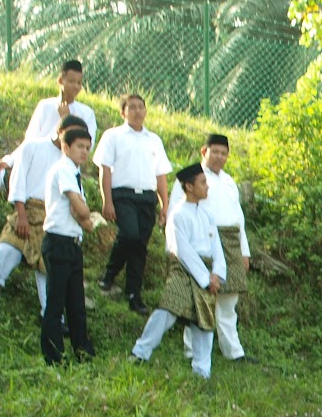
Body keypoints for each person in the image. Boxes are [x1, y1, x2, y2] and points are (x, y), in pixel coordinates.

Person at [0, 61, 95, 235]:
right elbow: (30, 139)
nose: (76, 86)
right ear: (60, 80)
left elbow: (84, 148)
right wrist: (9, 160)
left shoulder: (86, 113)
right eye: (71, 81)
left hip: (57, 168)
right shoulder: (45, 106)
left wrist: (66, 117)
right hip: (32, 160)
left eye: (79, 82)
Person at [0, 114, 90, 312]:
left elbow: (77, 199)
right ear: (60, 133)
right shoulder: (33, 147)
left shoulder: (71, 165)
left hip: (52, 219)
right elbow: (18, 182)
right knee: (5, 251)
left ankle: (52, 317)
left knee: (47, 271)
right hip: (27, 210)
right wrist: (22, 215)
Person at [130, 162, 224, 379]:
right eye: (202, 183)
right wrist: (205, 278)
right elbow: (183, 250)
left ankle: (202, 370)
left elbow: (216, 246)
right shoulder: (178, 215)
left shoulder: (207, 214)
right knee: (168, 309)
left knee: (204, 318)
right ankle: (140, 352)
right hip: (183, 269)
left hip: (207, 271)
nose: (207, 187)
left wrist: (217, 273)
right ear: (189, 187)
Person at [169, 132, 251, 365]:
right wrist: (176, 247)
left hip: (231, 241)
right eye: (215, 151)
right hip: (202, 242)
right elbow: (177, 211)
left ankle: (233, 351)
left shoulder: (228, 181)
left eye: (224, 153)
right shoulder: (191, 179)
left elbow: (239, 218)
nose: (219, 157)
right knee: (199, 298)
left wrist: (244, 251)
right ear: (204, 151)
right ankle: (191, 350)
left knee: (229, 301)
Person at [95, 93, 170, 315]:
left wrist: (164, 205)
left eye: (141, 107)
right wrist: (107, 200)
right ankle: (110, 273)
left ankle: (134, 294)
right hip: (123, 195)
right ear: (123, 112)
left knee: (140, 246)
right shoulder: (113, 136)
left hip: (146, 198)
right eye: (132, 107)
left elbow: (161, 175)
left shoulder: (154, 140)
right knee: (130, 235)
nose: (138, 111)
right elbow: (105, 170)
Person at [38, 126, 98, 365]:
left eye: (87, 147)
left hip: (72, 243)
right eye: (79, 147)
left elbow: (79, 213)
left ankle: (82, 350)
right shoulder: (63, 169)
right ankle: (53, 355)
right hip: (58, 241)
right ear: (65, 147)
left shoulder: (74, 172)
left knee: (76, 302)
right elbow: (80, 209)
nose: (84, 152)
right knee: (56, 303)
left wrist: (83, 217)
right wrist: (85, 216)